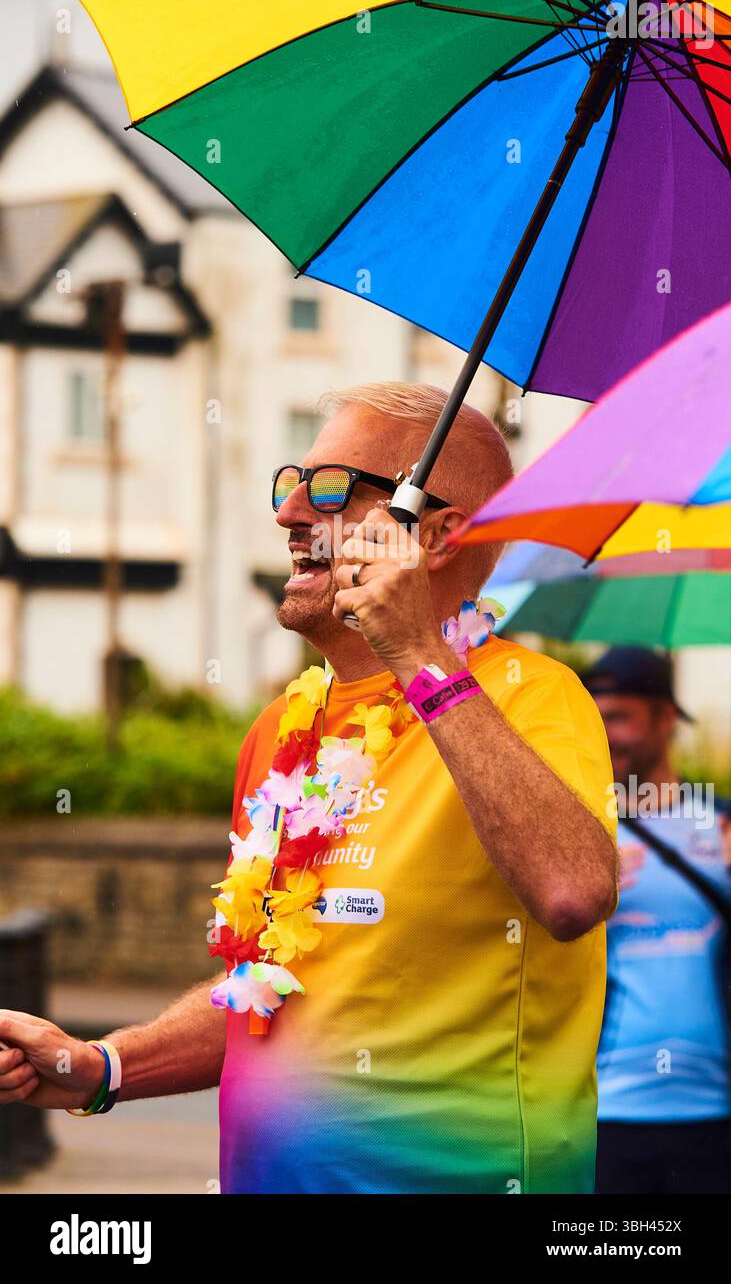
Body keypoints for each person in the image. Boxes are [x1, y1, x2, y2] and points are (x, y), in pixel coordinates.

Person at [0, 383, 617, 1195]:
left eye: (331, 488)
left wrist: (420, 659)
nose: (289, 511)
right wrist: (103, 1065)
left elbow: (574, 891)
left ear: (435, 535)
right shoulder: (283, 729)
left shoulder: (529, 697)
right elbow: (274, 996)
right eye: (292, 481)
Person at [582, 646, 731, 1195]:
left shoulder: (720, 827)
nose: (606, 735)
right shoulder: (579, 839)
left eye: (619, 717)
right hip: (604, 1114)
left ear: (667, 717)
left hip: (716, 1116)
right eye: (596, 721)